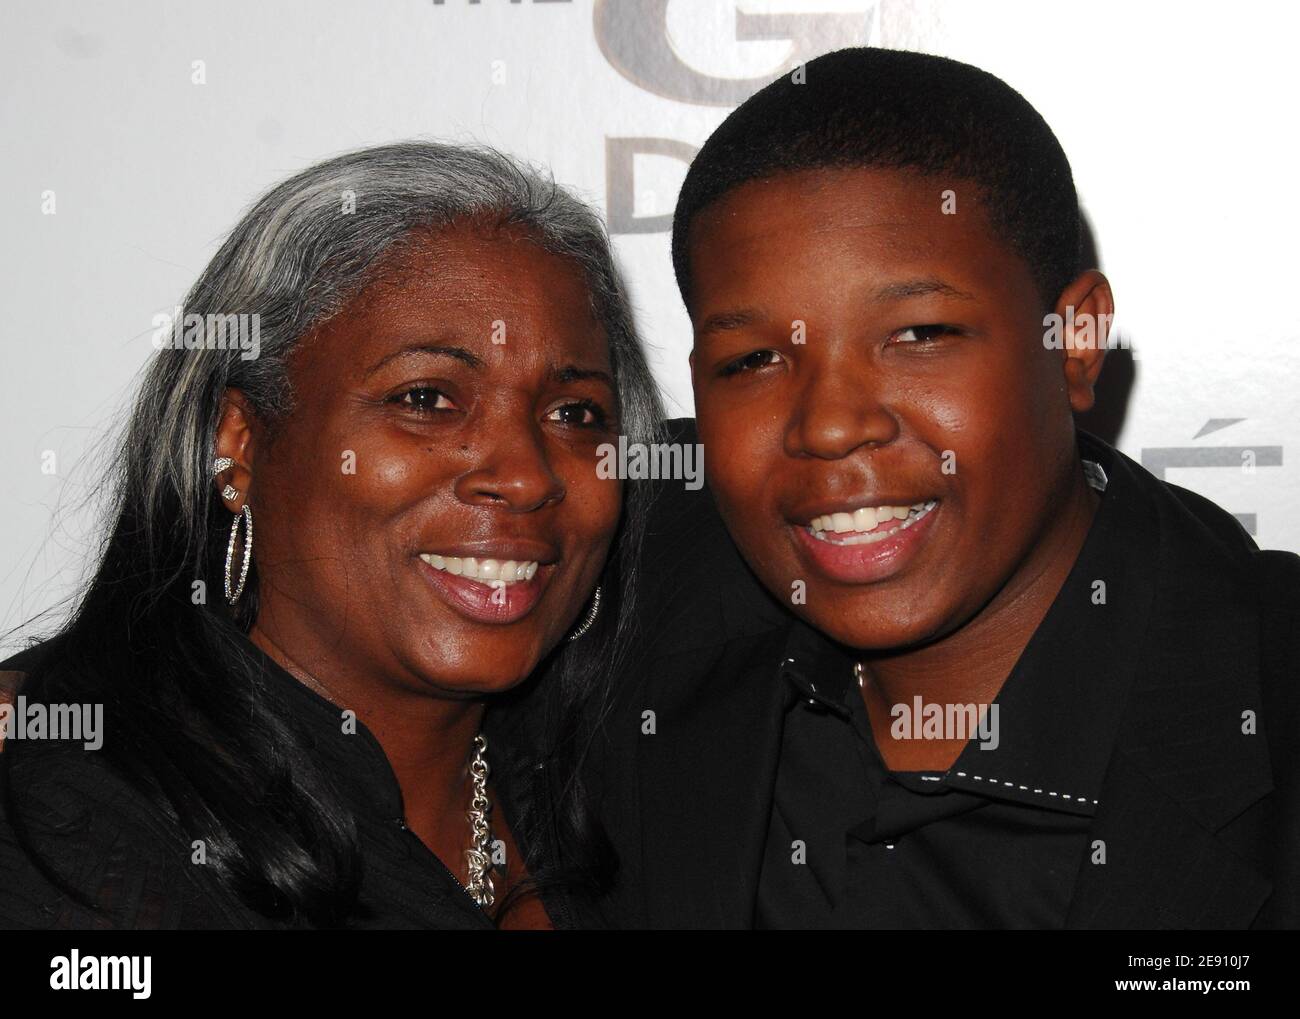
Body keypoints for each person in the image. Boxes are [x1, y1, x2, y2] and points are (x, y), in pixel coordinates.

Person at [592, 47, 1300, 929]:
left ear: (1074, 339)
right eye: (754, 359)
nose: (828, 424)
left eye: (920, 333)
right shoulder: (626, 574)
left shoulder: (1264, 696)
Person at [0, 141, 663, 930]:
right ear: (239, 441)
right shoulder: (77, 840)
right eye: (426, 398)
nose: (525, 475)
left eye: (575, 414)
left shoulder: (638, 770)